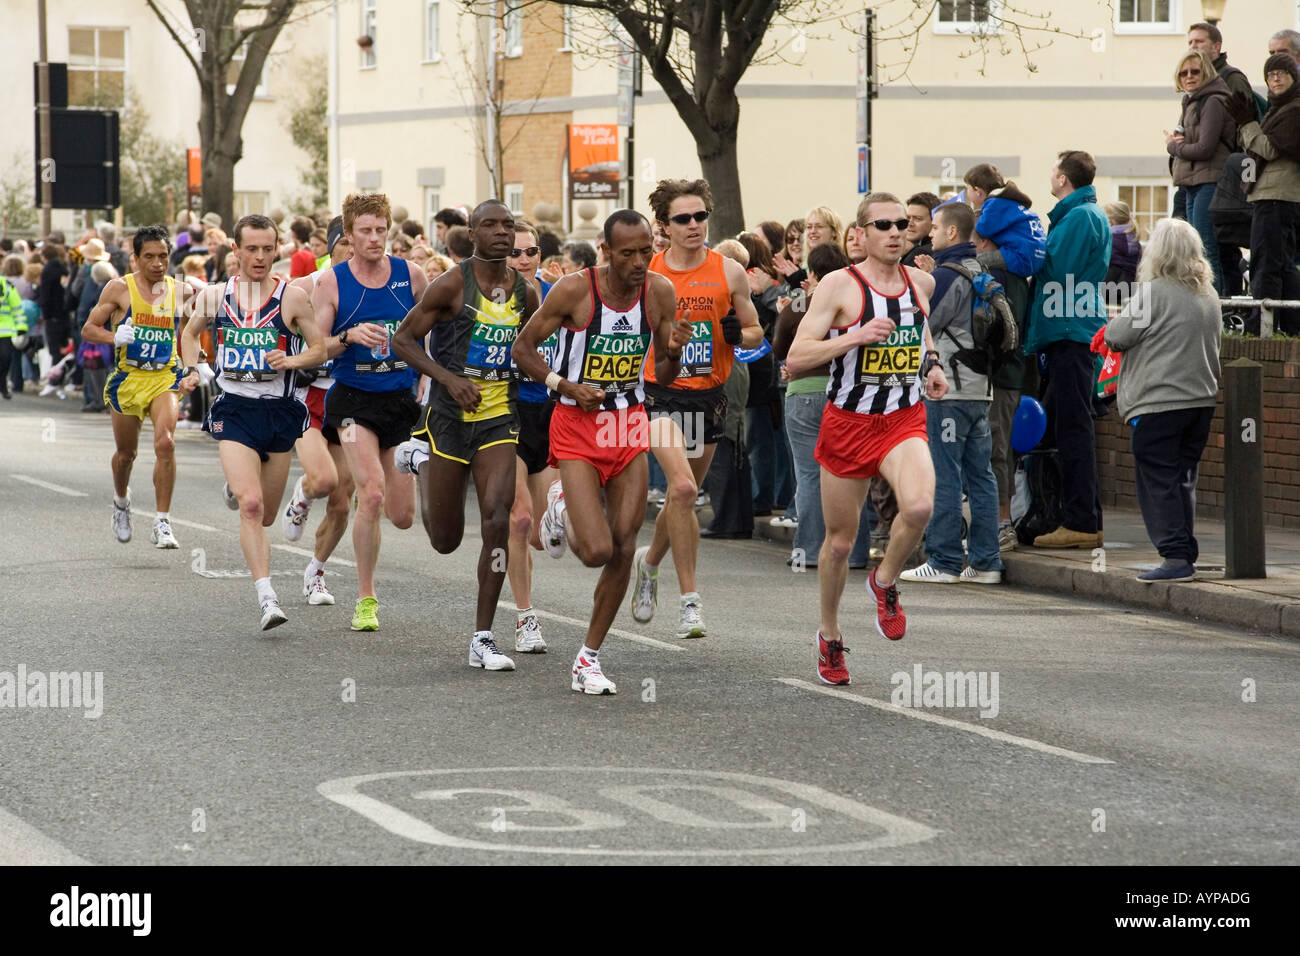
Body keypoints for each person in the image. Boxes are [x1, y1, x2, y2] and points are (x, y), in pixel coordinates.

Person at [513, 209, 690, 694]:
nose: (638, 262)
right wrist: (564, 384)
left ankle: (588, 658)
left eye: (645, 252)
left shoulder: (659, 293)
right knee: (594, 551)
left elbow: (666, 377)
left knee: (624, 544)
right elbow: (523, 349)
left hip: (627, 424)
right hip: (575, 424)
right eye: (627, 253)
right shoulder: (574, 290)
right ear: (606, 251)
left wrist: (672, 351)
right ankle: (561, 505)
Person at [786, 192, 946, 684]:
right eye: (883, 225)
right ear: (860, 234)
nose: (895, 232)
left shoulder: (922, 281)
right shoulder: (838, 285)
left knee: (918, 507)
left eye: (902, 224)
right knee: (838, 543)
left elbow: (921, 334)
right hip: (848, 422)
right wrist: (854, 336)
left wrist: (933, 365)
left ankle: (885, 580)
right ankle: (830, 636)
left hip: (902, 416)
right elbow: (796, 356)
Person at [390, 200, 539, 672]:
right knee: (446, 540)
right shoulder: (453, 282)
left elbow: (534, 346)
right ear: (471, 232)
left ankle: (483, 637)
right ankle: (420, 462)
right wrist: (448, 379)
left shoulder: (526, 293)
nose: (501, 233)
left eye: (507, 226)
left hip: (499, 418)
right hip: (448, 421)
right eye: (490, 225)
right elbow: (403, 340)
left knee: (498, 517)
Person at [630, 178, 763, 639]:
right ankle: (690, 601)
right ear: (664, 226)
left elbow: (755, 333)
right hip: (659, 392)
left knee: (680, 499)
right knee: (684, 491)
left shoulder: (728, 271)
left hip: (709, 395)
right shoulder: (647, 273)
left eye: (700, 216)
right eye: (683, 219)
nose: (694, 225)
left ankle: (647, 566)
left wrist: (733, 334)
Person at [181, 215, 325, 629]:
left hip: (279, 413)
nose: (260, 257)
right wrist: (194, 369)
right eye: (252, 249)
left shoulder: (293, 298)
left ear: (276, 249)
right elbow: (190, 334)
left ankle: (236, 481)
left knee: (265, 515)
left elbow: (319, 349)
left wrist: (292, 360)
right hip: (236, 408)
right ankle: (267, 597)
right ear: (237, 252)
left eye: (267, 249)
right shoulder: (215, 295)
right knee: (252, 505)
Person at [311, 192, 427, 631]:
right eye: (366, 231)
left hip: (398, 402)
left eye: (382, 230)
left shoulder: (411, 275)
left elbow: (434, 327)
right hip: (354, 401)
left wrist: (428, 375)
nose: (376, 238)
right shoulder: (332, 282)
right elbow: (316, 348)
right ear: (349, 234)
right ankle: (366, 598)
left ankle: (368, 499)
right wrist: (350, 336)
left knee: (402, 515)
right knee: (373, 495)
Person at [1102, 218, 1221, 583]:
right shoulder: (1209, 294)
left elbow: (1117, 336)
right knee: (1182, 479)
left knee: (1159, 481)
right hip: (1200, 402)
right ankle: (1184, 552)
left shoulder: (1153, 292)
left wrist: (1110, 324)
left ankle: (1175, 556)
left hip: (1159, 403)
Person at [898, 202, 1004, 585]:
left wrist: (923, 283)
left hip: (948, 391)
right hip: (981, 390)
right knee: (981, 477)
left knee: (944, 474)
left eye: (936, 228)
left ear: (952, 233)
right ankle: (987, 563)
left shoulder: (946, 275)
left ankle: (943, 560)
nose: (930, 234)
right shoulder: (980, 271)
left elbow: (921, 322)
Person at [81, 225, 200, 548]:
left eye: (163, 256)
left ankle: (162, 521)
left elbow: (190, 334)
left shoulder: (181, 291)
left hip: (164, 377)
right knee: (126, 455)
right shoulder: (118, 289)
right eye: (149, 256)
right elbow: (88, 329)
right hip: (128, 380)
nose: (157, 263)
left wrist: (193, 367)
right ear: (135, 258)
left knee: (166, 442)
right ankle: (121, 501)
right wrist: (113, 336)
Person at [1023, 150, 1110, 549]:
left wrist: (1033, 249)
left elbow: (1058, 270)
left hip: (1071, 329)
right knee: (1059, 428)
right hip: (1069, 326)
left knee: (1074, 428)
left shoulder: (1078, 217)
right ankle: (1074, 516)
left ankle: (1082, 521)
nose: (1051, 176)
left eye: (1053, 169)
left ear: (1063, 179)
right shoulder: (1084, 214)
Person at [280, 216, 357, 607]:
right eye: (345, 241)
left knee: (343, 501)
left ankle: (316, 572)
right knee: (323, 480)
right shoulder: (305, 288)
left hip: (349, 400)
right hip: (309, 397)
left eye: (359, 240)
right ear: (330, 247)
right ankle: (302, 496)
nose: (354, 248)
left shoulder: (375, 286)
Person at [773, 242, 852, 568]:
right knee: (848, 474)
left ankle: (806, 551)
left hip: (803, 390)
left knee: (808, 475)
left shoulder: (799, 304)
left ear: (813, 272)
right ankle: (854, 553)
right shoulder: (852, 304)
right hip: (844, 393)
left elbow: (779, 349)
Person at [501, 218, 559, 653]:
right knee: (519, 520)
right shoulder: (492, 297)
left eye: (530, 252)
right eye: (515, 252)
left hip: (553, 414)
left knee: (544, 535)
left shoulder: (560, 295)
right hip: (508, 410)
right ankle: (526, 618)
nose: (523, 259)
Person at [1224, 55, 1300, 335]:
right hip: (1269, 196)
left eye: (1282, 73)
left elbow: (1267, 149)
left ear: (1293, 77)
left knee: (1266, 263)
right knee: (1282, 264)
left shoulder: (1293, 111)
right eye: (1271, 74)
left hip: (1277, 197)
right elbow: (1252, 153)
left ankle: (1261, 328)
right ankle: (1292, 326)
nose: (1276, 78)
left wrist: (1247, 123)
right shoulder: (1276, 111)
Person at [1167, 49, 1234, 294]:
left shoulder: (1213, 100)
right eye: (1184, 73)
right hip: (1192, 182)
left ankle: (1216, 311)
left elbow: (1205, 148)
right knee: (1195, 251)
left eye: (1195, 71)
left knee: (1206, 250)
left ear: (1205, 71)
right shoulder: (1190, 101)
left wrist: (1174, 146)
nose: (1189, 77)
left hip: (1209, 181)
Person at [76, 261, 117, 412]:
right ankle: (108, 402)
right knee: (109, 367)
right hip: (113, 332)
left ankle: (102, 401)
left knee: (100, 368)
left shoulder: (101, 289)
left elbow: (91, 309)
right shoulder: (116, 285)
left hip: (103, 333)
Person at [0, 265, 27, 400]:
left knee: (5, 359)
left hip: (5, 330)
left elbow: (16, 307)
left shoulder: (6, 285)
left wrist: (21, 326)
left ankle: (3, 384)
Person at [901, 192, 941, 267]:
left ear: (934, 221)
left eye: (918, 219)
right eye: (908, 218)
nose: (910, 223)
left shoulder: (920, 254)